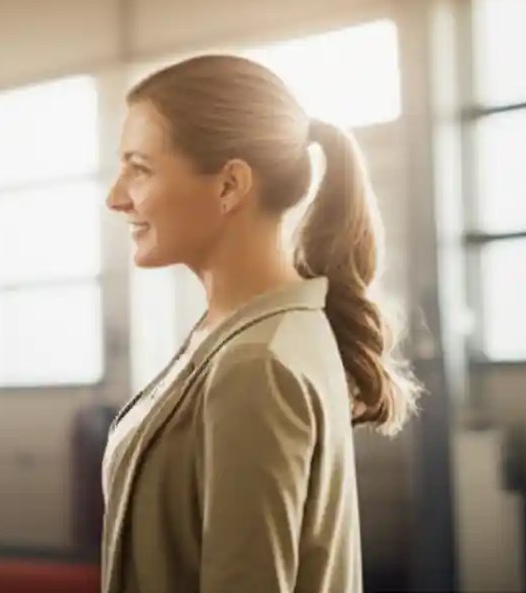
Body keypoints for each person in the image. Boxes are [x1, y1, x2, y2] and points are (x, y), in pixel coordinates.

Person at [99, 54, 421, 592]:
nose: (115, 196)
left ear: (229, 185)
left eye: (140, 168)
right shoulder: (249, 332)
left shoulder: (256, 363)